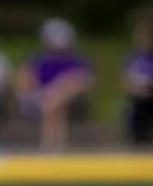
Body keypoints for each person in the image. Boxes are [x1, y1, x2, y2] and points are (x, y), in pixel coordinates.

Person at [16, 18, 94, 151]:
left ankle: (50, 145)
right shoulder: (35, 60)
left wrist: (59, 89)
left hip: (71, 100)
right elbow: (22, 84)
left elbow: (87, 84)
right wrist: (44, 92)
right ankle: (57, 146)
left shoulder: (78, 61)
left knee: (62, 93)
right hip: (40, 98)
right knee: (54, 104)